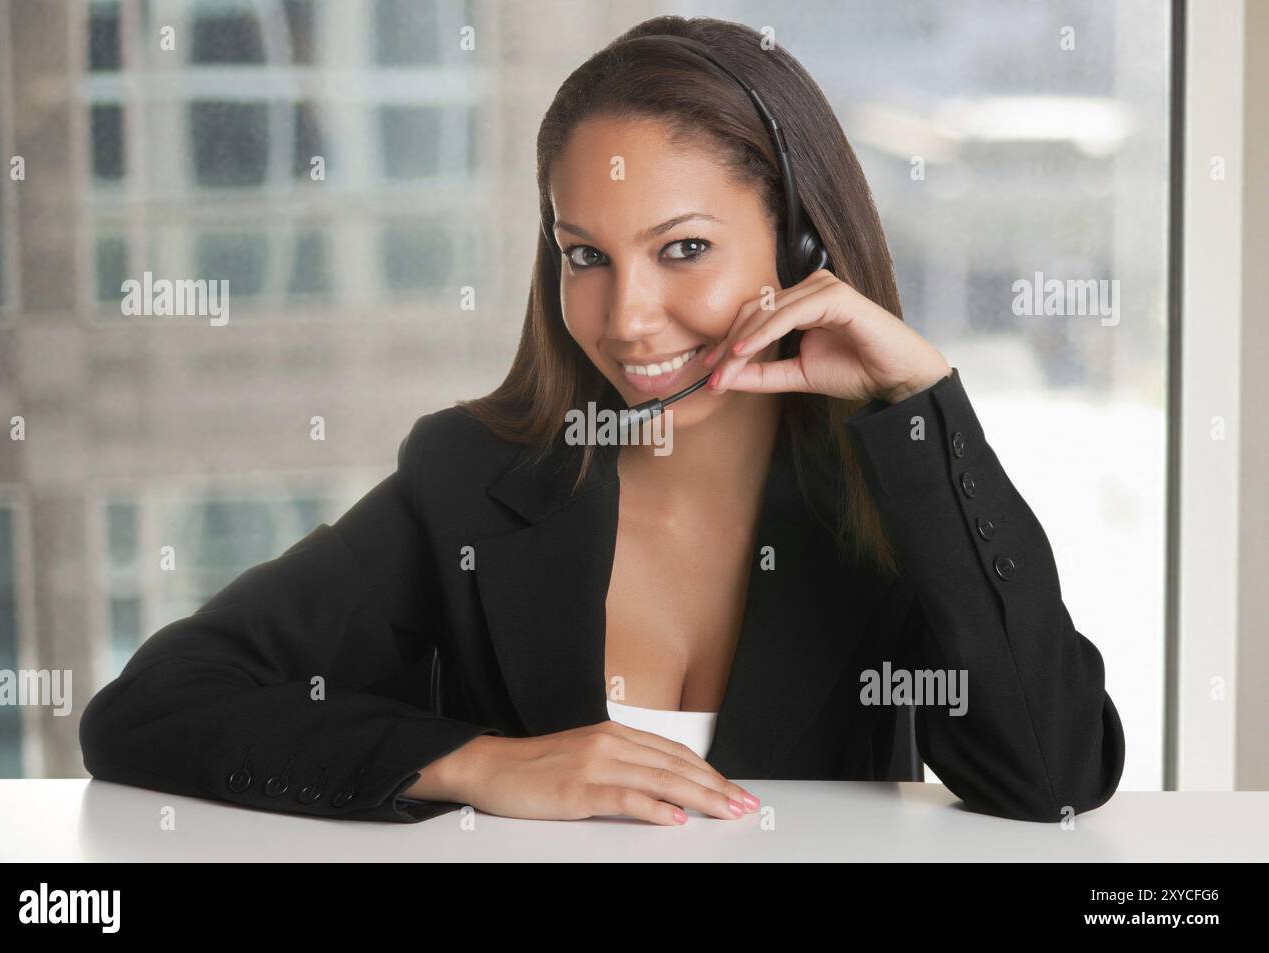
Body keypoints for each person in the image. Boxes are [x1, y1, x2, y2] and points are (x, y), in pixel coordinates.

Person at [79, 15, 1125, 827]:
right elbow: (153, 705)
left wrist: (921, 406)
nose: (625, 320)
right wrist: (481, 764)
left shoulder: (887, 488)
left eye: (682, 250)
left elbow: (1053, 774)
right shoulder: (471, 481)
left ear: (801, 251)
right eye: (586, 255)